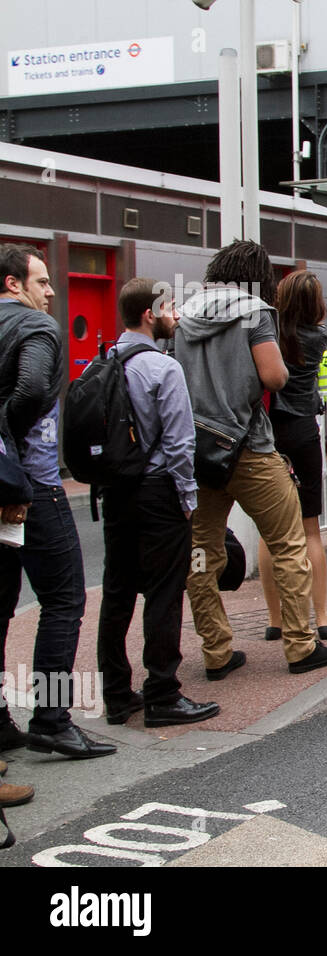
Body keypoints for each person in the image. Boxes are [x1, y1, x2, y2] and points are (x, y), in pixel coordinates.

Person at [177, 240, 327, 678]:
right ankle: (300, 645)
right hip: (247, 445)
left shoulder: (185, 313)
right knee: (289, 542)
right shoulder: (254, 311)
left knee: (201, 553)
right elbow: (273, 376)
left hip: (199, 449)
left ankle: (216, 653)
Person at [0, 244, 114, 759]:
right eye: (42, 282)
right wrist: (8, 450)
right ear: (13, 285)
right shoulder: (35, 327)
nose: (50, 292)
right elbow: (27, 390)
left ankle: (1, 720)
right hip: (30, 487)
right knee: (65, 599)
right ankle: (50, 716)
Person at [97, 279, 218, 729]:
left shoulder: (106, 358)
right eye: (170, 308)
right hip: (158, 493)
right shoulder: (163, 368)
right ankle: (163, 694)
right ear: (151, 313)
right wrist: (187, 498)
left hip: (116, 491)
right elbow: (180, 442)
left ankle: (115, 694)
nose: (176, 316)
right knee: (165, 592)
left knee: (118, 590)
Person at [259, 271, 327, 644]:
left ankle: (276, 620)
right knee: (310, 527)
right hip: (305, 432)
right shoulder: (319, 336)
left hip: (271, 431)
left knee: (271, 529)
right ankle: (321, 616)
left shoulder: (269, 334)